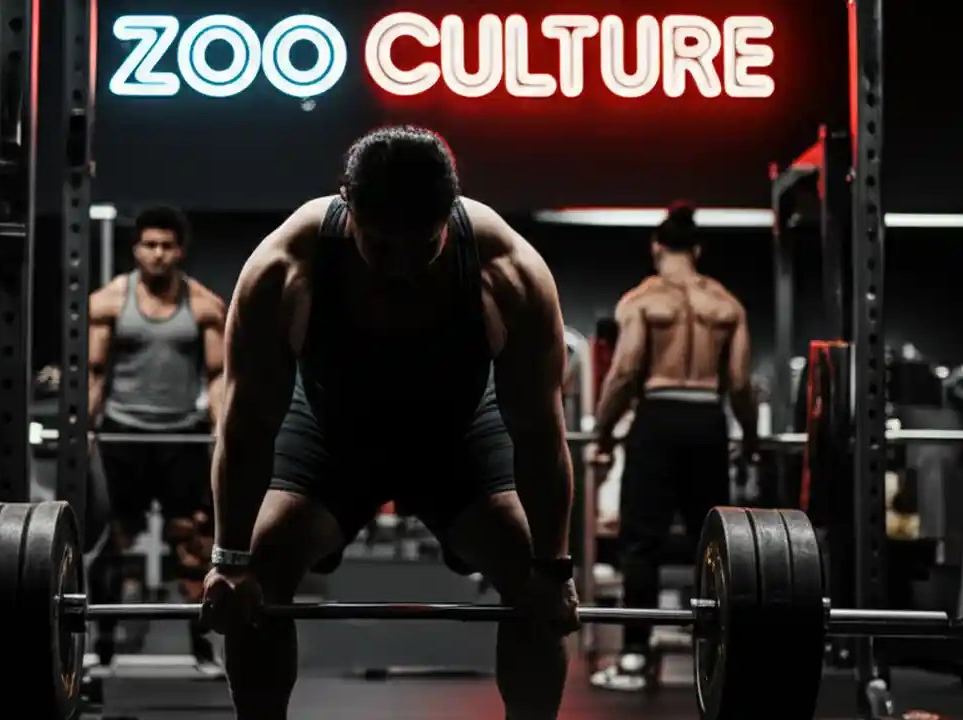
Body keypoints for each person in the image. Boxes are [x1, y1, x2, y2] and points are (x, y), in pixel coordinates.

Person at [199, 125, 580, 720]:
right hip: (332, 437)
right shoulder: (284, 266)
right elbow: (247, 425)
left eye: (421, 246)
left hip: (456, 440)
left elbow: (538, 433)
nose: (400, 267)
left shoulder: (507, 271)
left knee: (526, 563)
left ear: (448, 214)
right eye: (380, 247)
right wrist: (229, 560)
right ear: (346, 205)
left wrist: (553, 570)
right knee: (264, 561)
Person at [588, 203, 757, 691]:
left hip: (657, 417)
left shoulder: (641, 301)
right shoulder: (727, 306)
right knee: (716, 546)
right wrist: (747, 436)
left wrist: (602, 435)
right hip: (708, 418)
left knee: (641, 543)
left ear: (656, 247)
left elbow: (623, 373)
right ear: (698, 250)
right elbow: (742, 383)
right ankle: (719, 656)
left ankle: (636, 657)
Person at [87, 204, 227, 665]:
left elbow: (218, 378)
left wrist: (224, 433)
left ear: (180, 250)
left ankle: (201, 645)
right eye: (150, 244)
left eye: (167, 245)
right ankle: (103, 643)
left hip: (181, 436)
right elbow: (94, 375)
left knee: (191, 541)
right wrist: (82, 431)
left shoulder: (205, 306)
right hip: (122, 434)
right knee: (116, 540)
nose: (158, 254)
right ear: (136, 248)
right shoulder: (107, 302)